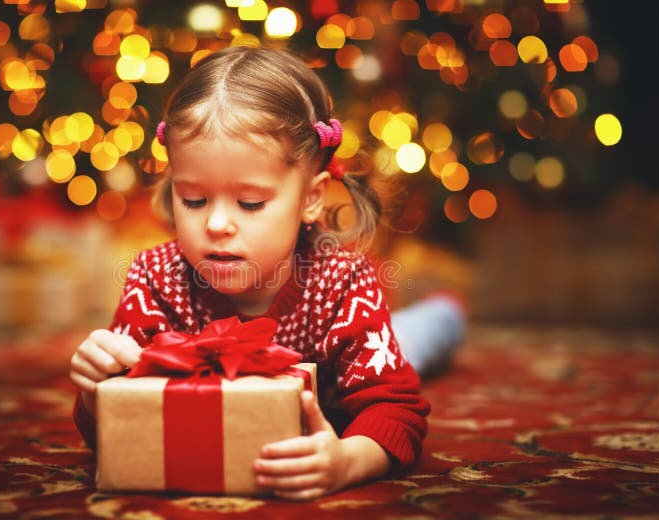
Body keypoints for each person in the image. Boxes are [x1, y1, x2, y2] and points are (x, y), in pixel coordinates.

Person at [70, 45, 463, 500]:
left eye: (251, 203)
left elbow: (395, 409)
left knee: (414, 340)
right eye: (193, 200)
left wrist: (348, 461)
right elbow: (118, 427)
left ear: (311, 198)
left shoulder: (344, 283)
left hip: (364, 346)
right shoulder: (155, 279)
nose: (216, 224)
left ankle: (446, 312)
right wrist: (94, 391)